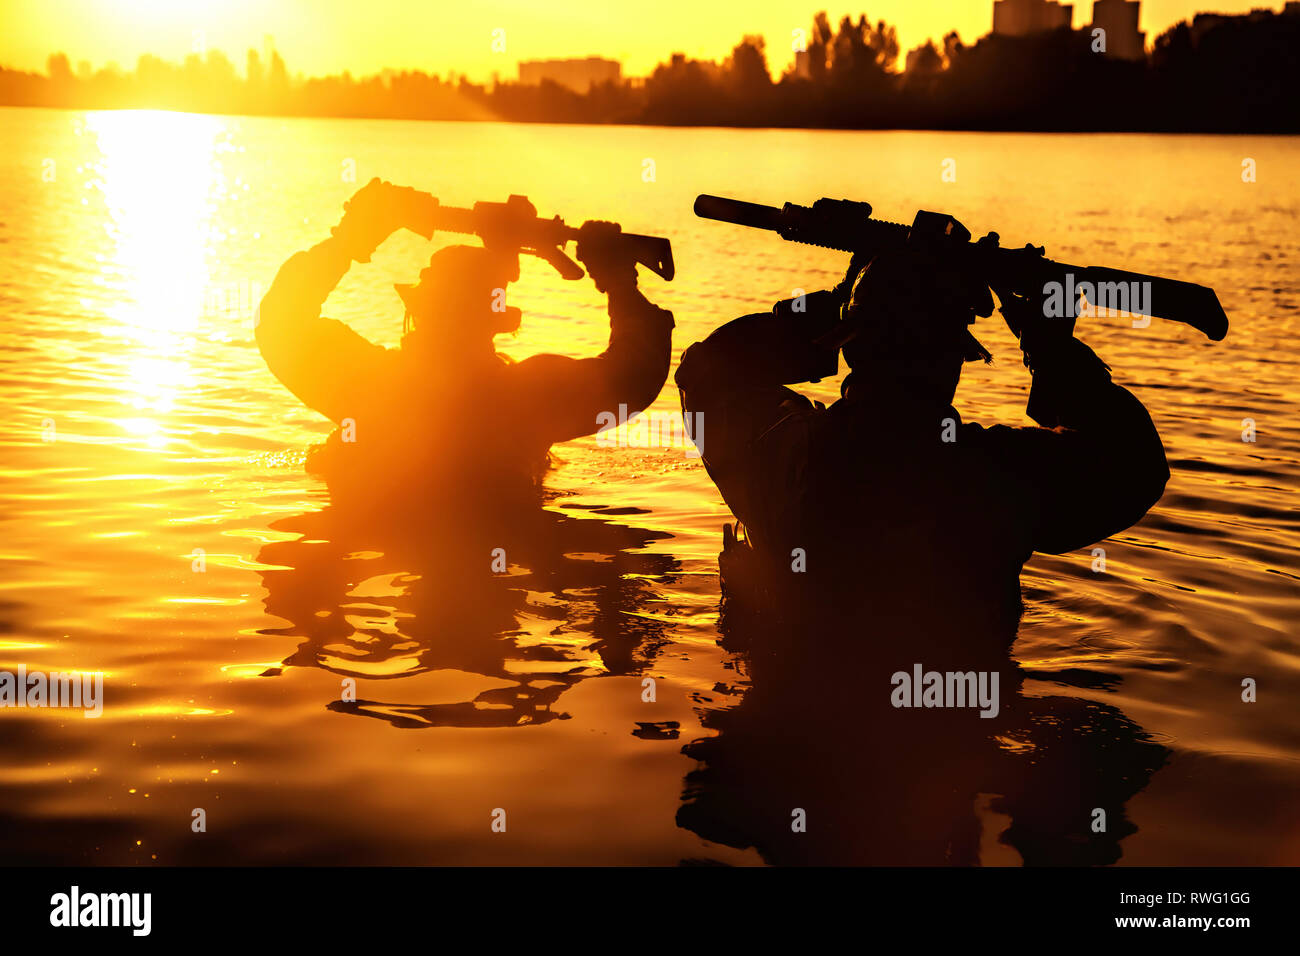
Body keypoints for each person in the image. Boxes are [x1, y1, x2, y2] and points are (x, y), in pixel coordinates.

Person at [674, 244, 1170, 661]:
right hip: (954, 749)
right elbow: (1136, 466)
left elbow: (703, 372)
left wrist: (820, 315)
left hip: (791, 729)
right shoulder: (1001, 476)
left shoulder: (781, 456)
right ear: (954, 361)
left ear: (852, 348)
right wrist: (1049, 348)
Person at [256, 179, 674, 512]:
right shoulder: (529, 398)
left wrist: (349, 241)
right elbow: (633, 376)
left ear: (417, 313)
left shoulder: (370, 384)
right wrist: (617, 280)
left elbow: (281, 322)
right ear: (496, 322)